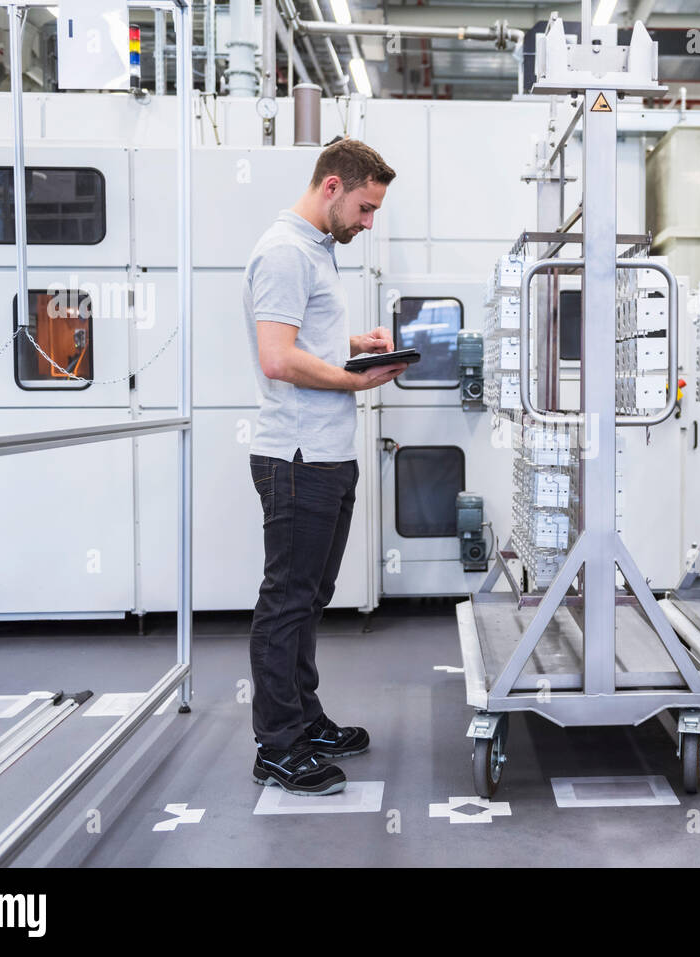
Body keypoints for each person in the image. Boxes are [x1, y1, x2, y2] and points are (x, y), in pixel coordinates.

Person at [243, 138, 403, 796]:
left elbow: (304, 337)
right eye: (365, 208)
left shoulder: (317, 250)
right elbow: (277, 357)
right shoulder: (284, 251)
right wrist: (352, 378)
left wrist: (353, 343)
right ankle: (276, 745)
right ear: (332, 187)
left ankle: (305, 721)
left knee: (311, 598)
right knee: (286, 601)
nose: (369, 223)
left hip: (328, 454)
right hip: (297, 457)